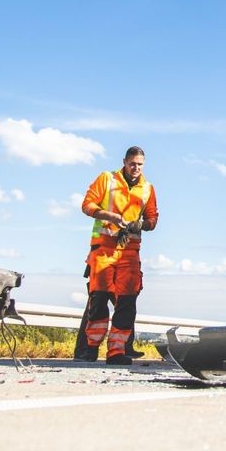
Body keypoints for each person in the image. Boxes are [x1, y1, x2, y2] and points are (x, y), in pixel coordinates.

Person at [73, 146, 159, 364]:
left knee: (127, 303)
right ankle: (90, 349)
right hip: (103, 249)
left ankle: (117, 352)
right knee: (98, 300)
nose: (136, 168)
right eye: (132, 163)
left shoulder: (148, 189)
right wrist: (109, 216)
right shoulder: (107, 179)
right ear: (124, 161)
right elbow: (87, 205)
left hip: (130, 251)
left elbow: (153, 220)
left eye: (140, 164)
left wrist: (140, 224)